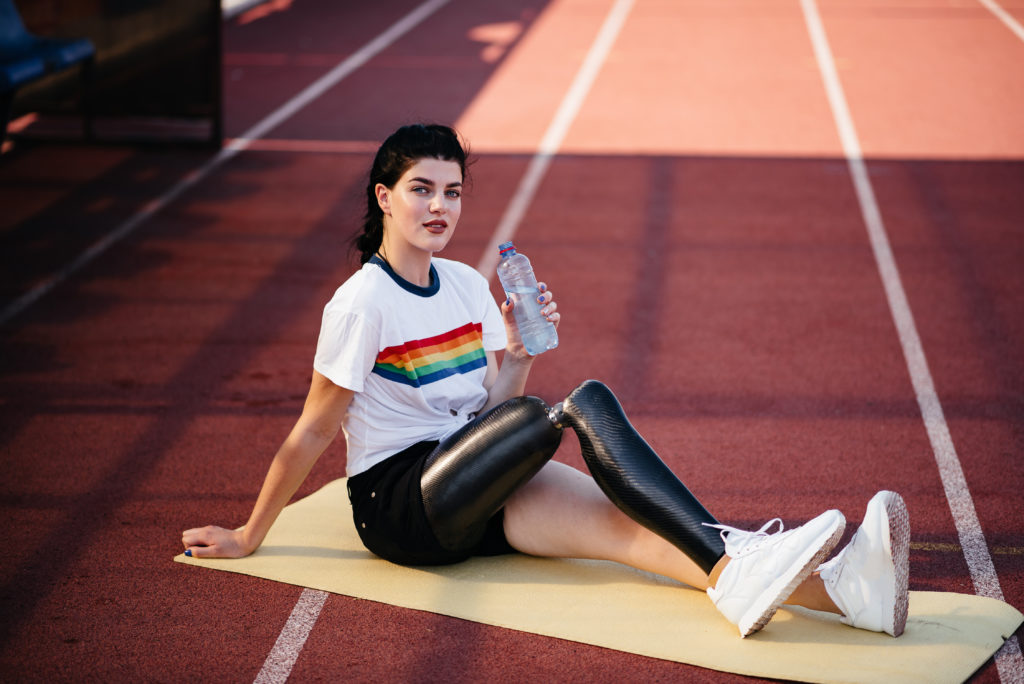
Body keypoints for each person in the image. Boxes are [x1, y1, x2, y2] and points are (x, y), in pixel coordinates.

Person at [182, 123, 910, 638]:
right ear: (384, 198)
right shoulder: (362, 304)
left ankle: (850, 596)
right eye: (421, 189)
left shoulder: (466, 284)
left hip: (470, 472)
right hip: (400, 504)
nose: (439, 207)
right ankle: (762, 568)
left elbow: (486, 412)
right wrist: (250, 534)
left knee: (632, 527)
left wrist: (520, 353)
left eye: (453, 192)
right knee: (570, 406)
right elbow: (314, 428)